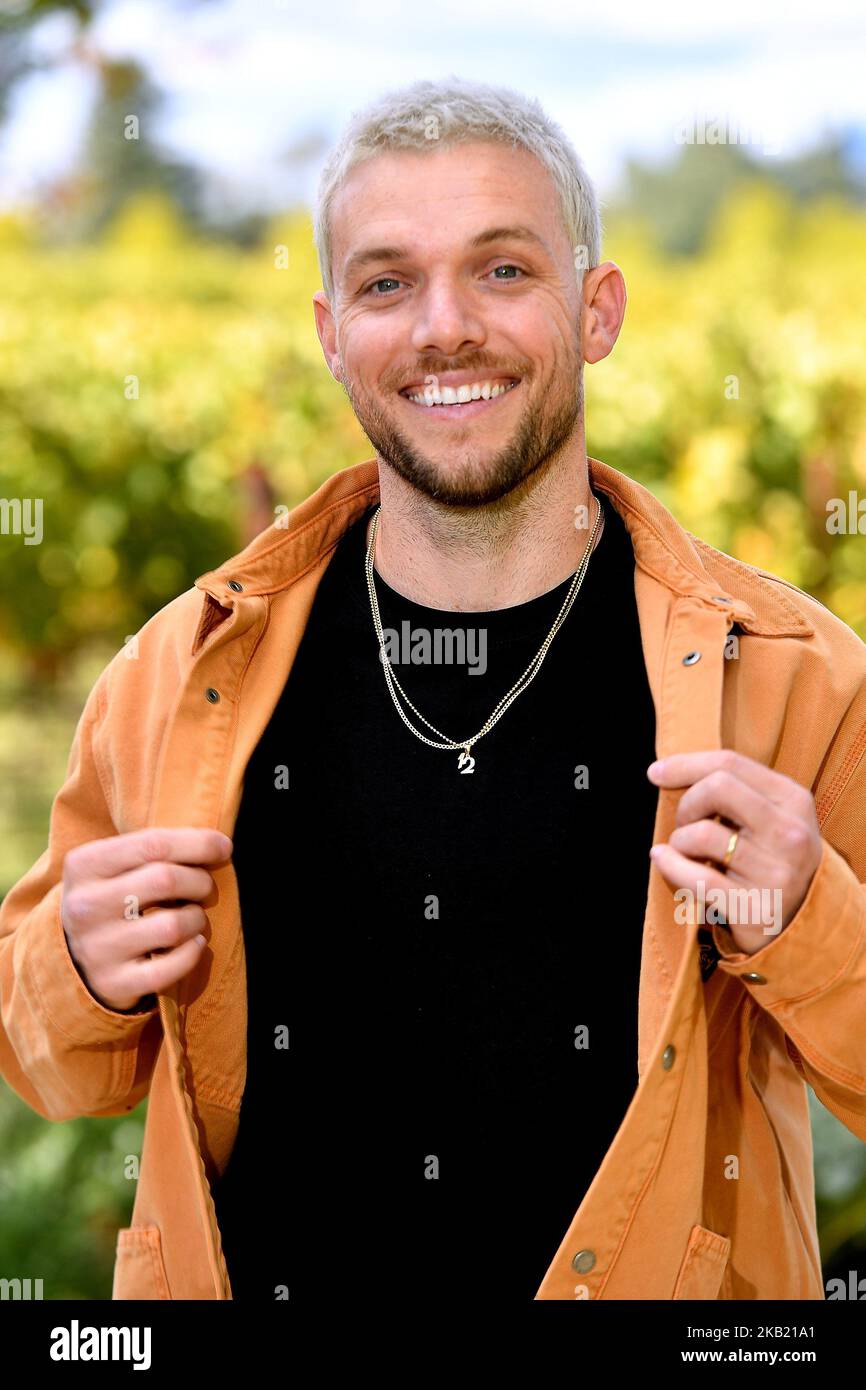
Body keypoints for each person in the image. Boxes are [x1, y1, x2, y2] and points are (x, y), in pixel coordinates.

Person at [1, 76, 865, 1303]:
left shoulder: (793, 677)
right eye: (387, 282)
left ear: (596, 307)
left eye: (502, 270)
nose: (441, 327)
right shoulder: (178, 671)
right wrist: (74, 968)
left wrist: (810, 919)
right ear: (330, 330)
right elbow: (54, 1067)